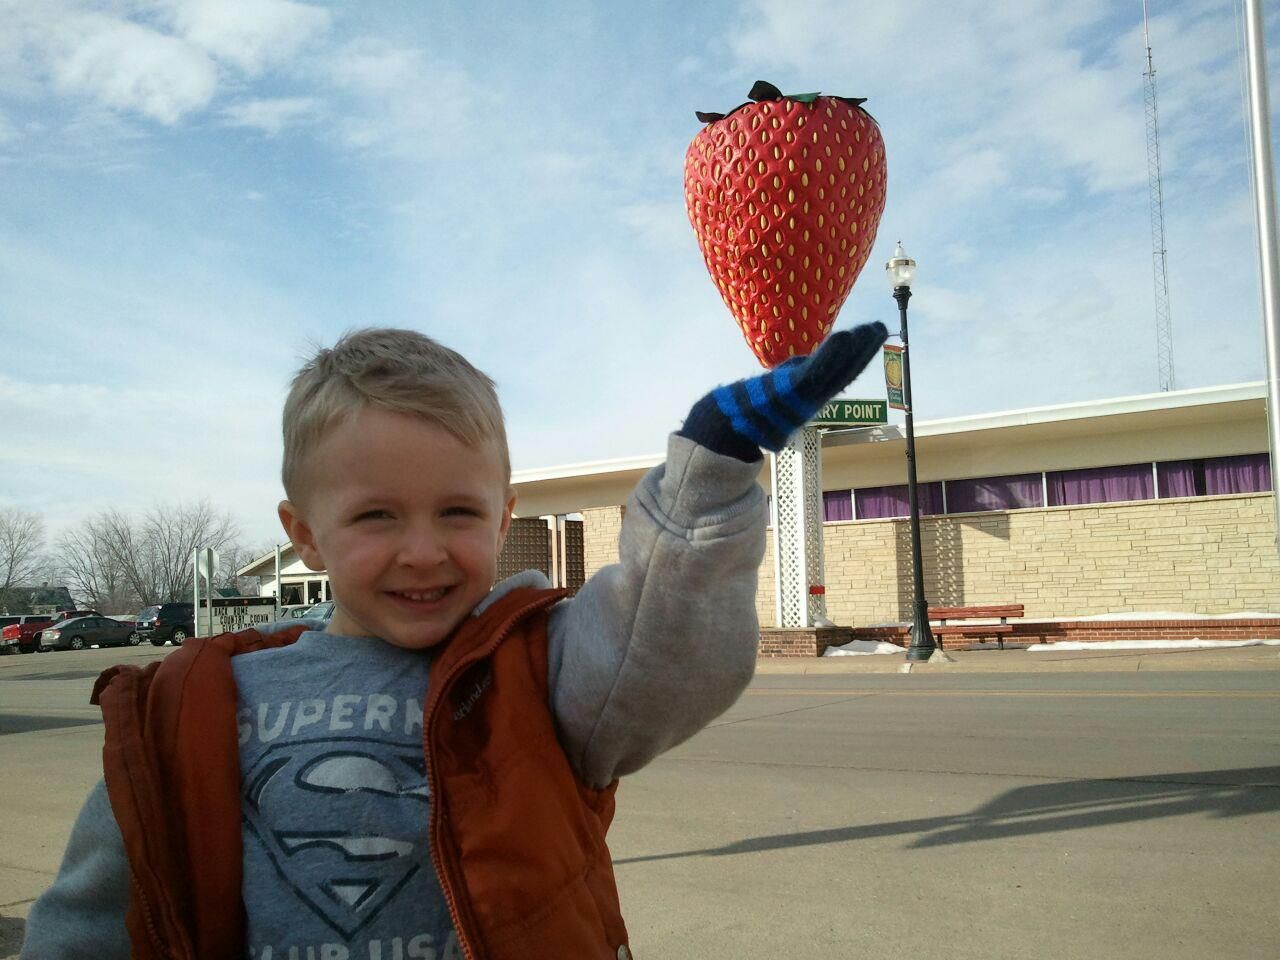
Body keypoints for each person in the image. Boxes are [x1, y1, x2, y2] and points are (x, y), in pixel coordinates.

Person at [22, 322, 886, 960]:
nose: (424, 549)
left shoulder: (537, 670)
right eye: (375, 516)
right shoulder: (194, 706)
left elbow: (664, 650)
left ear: (503, 515)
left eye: (458, 512)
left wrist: (711, 470)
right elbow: (90, 919)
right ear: (306, 535)